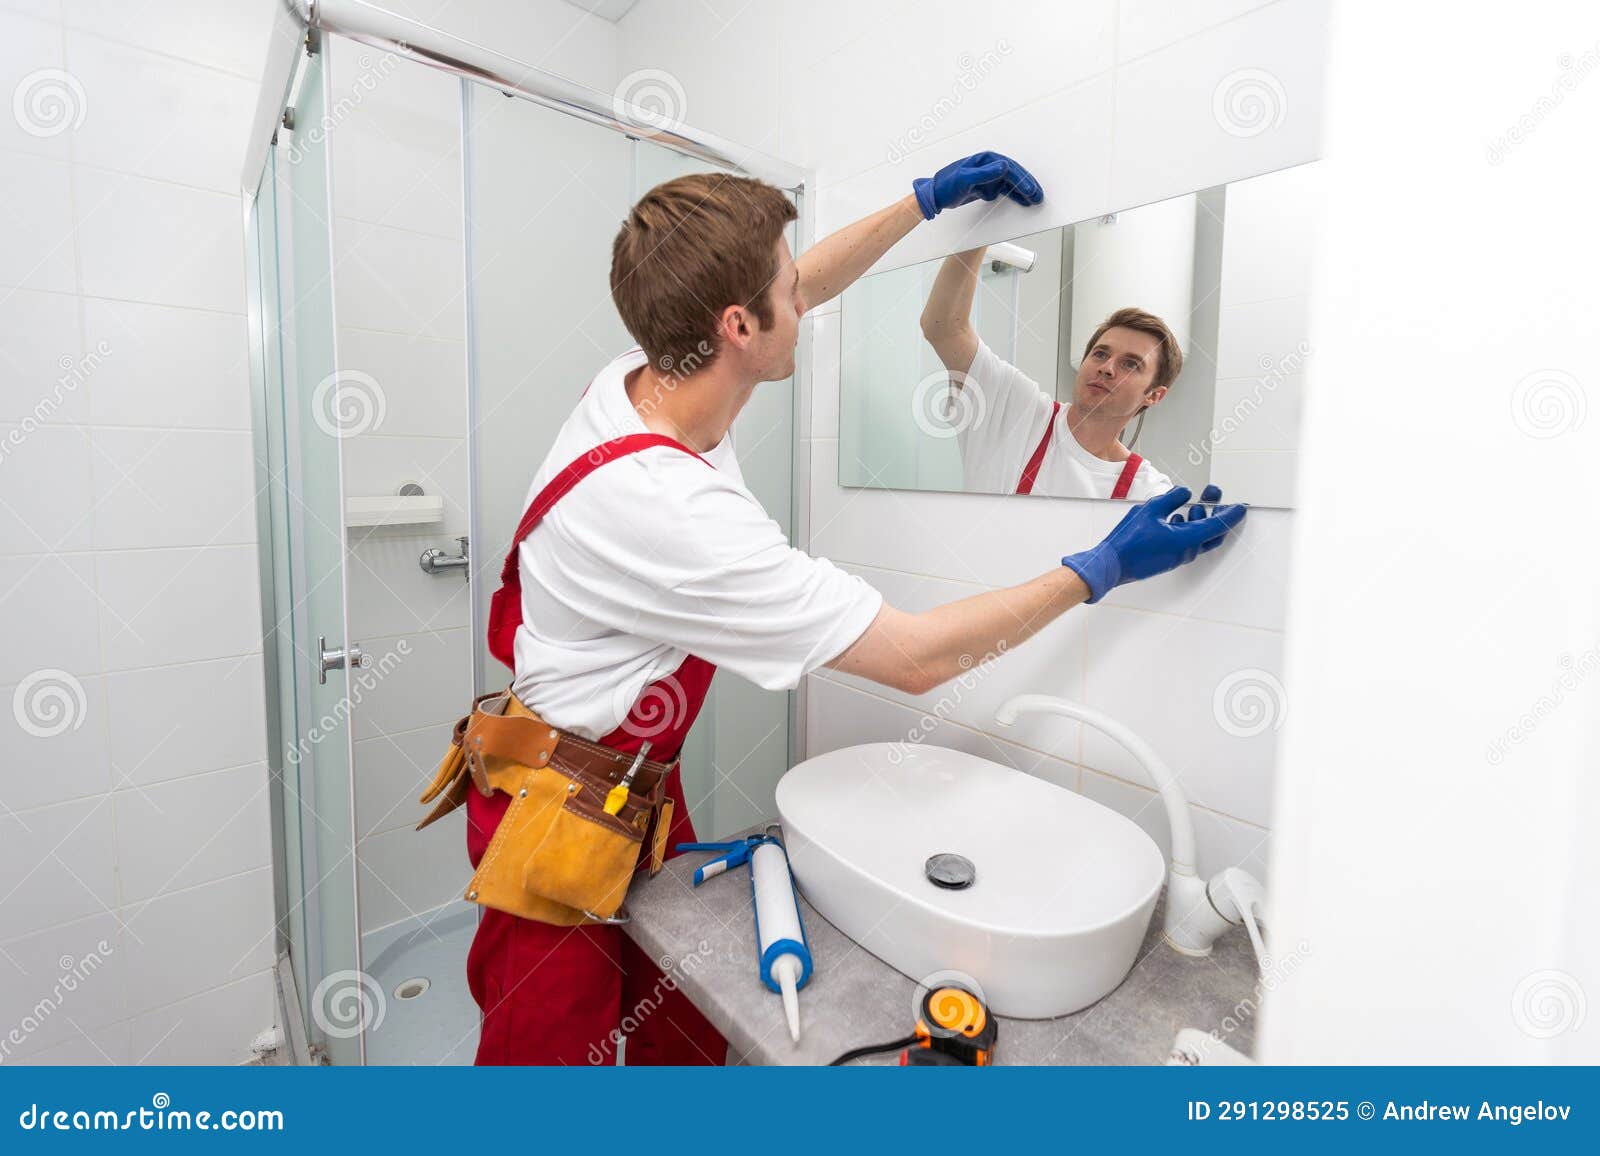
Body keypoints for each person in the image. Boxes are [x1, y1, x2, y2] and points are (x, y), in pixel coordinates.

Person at [460, 152, 1245, 1065]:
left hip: (633, 790)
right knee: (547, 1067)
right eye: (787, 290)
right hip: (552, 814)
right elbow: (914, 659)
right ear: (738, 326)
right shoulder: (670, 509)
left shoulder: (652, 372)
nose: (805, 299)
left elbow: (802, 283)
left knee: (680, 1031)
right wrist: (1101, 567)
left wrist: (924, 204)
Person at [920, 246, 1181, 499]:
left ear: (1154, 395)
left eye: (1130, 364)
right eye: (1101, 354)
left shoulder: (1146, 492)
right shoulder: (1017, 410)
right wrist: (978, 233)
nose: (1107, 368)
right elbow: (944, 329)